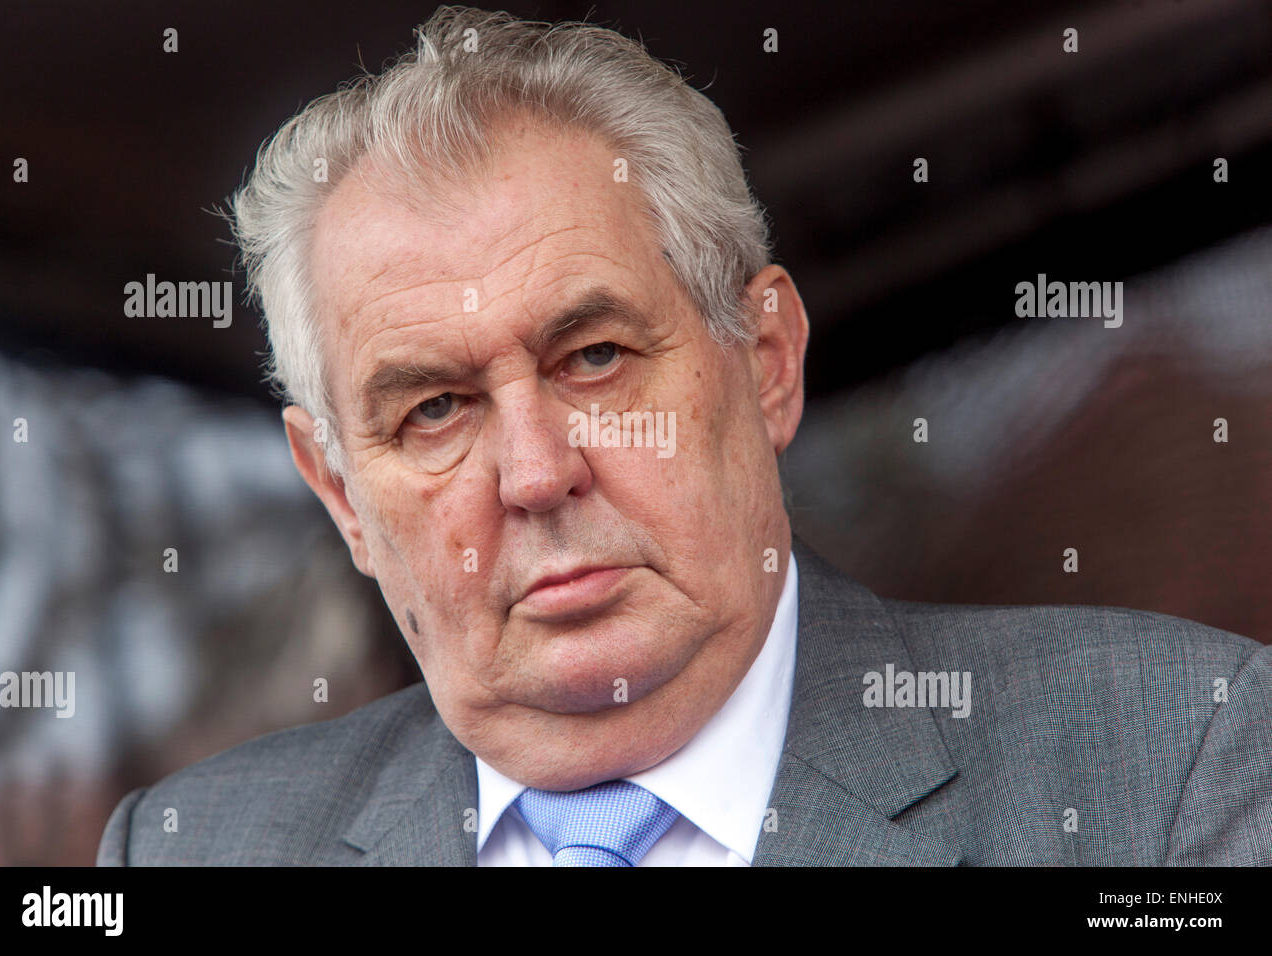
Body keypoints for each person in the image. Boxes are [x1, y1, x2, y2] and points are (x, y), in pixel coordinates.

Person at [98, 5, 1272, 866]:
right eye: (435, 409)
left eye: (594, 357)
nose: (538, 471)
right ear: (345, 495)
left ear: (764, 361)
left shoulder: (1177, 757)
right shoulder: (188, 849)